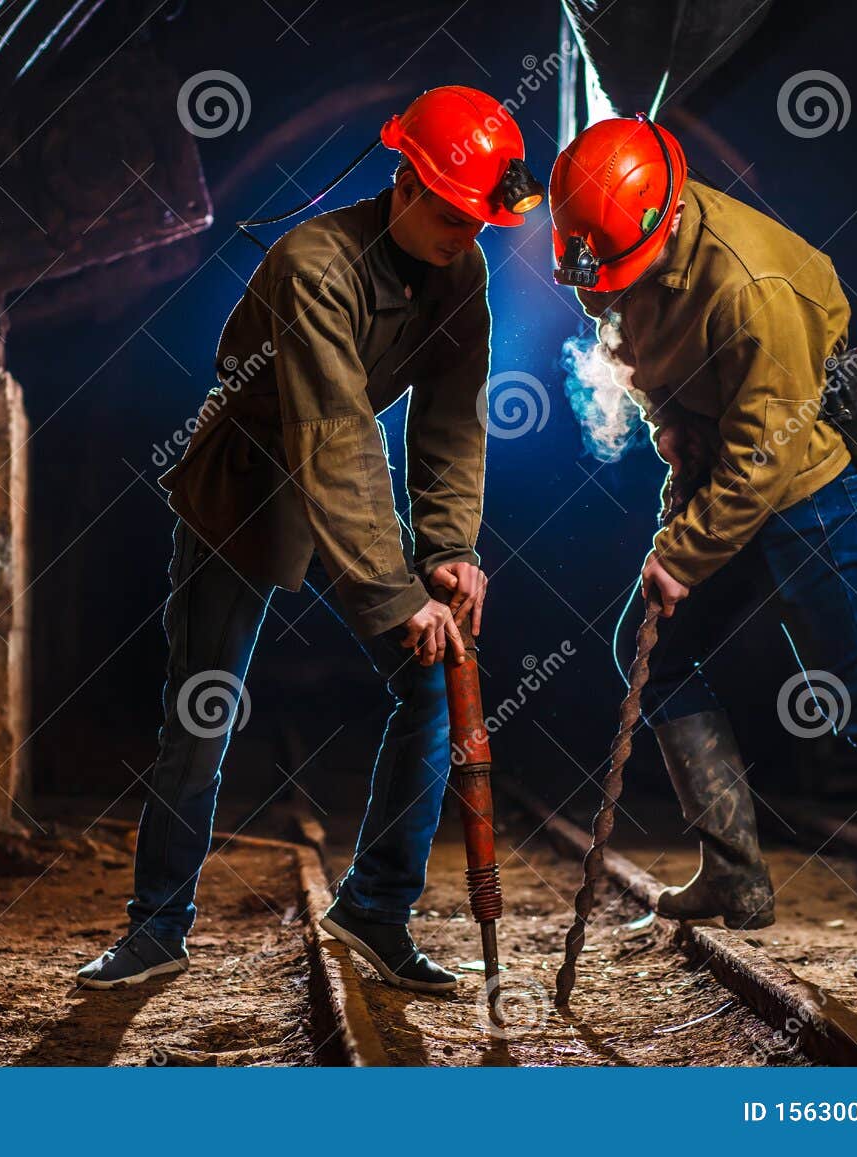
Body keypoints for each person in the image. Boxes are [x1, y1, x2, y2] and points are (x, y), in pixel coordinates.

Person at [76, 87, 544, 992]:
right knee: (201, 714)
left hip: (343, 485)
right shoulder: (314, 266)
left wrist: (449, 545)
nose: (465, 233)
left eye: (480, 219)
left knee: (432, 688)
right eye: (452, 212)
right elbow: (334, 436)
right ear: (405, 181)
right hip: (247, 488)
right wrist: (392, 591)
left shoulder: (462, 271)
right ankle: (157, 926)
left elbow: (451, 418)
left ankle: (375, 908)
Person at [547, 114, 857, 985]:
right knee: (653, 651)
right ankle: (735, 875)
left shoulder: (753, 284)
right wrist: (667, 432)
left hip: (810, 483)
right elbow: (634, 349)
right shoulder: (622, 238)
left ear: (665, 222)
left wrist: (682, 553)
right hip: (729, 470)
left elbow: (763, 453)